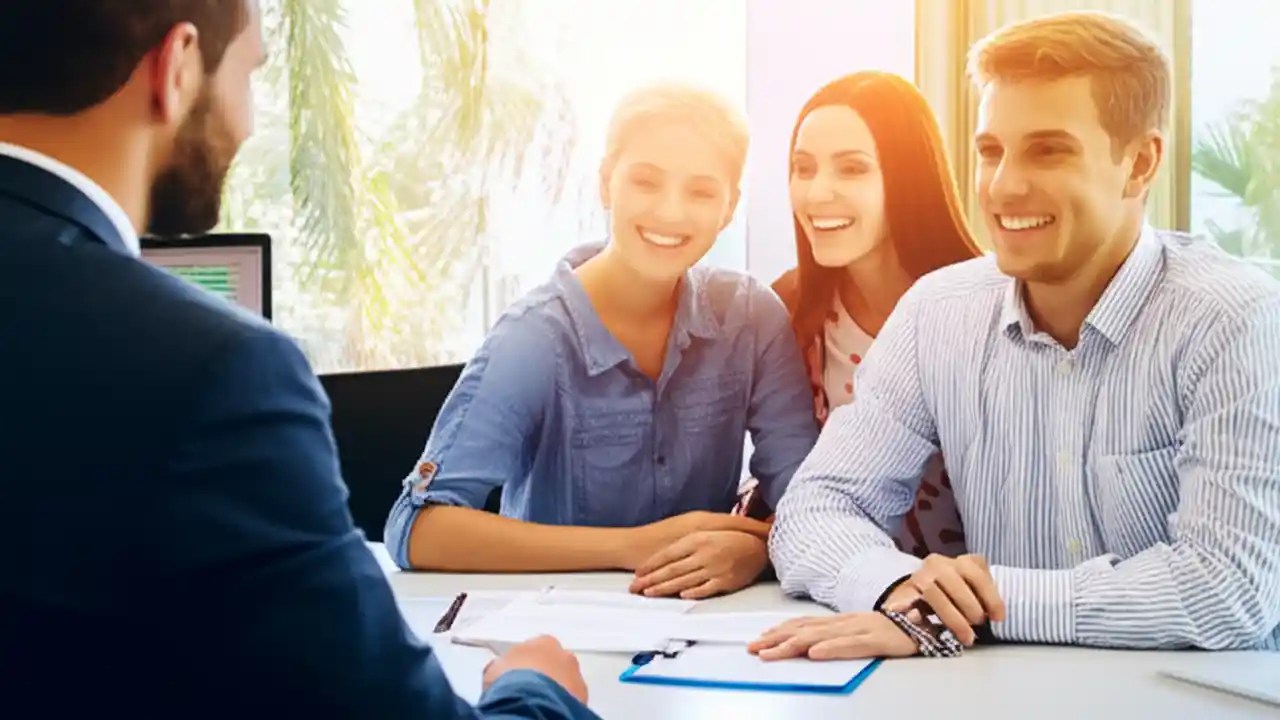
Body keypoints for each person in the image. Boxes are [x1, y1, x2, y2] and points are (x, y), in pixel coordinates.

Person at [0, 2, 597, 717]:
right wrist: (538, 689)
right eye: (249, 76)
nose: (249, 124)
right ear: (178, 67)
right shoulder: (213, 373)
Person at [760, 10, 1280, 659]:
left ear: (1140, 163)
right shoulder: (937, 313)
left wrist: (973, 606)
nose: (1003, 185)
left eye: (1048, 149)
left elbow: (1229, 588)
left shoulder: (1235, 319)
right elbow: (817, 509)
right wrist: (897, 586)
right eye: (990, 151)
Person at [386, 84, 819, 600]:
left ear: (729, 208)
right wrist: (630, 547)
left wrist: (759, 551)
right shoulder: (534, 337)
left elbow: (812, 505)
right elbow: (417, 528)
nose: (671, 212)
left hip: (704, 638)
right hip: (555, 634)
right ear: (606, 184)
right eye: (646, 181)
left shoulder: (751, 318)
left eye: (701, 191)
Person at [768, 71, 981, 559]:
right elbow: (794, 486)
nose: (817, 192)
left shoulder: (981, 306)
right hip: (840, 585)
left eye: (852, 168)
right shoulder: (792, 310)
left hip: (984, 599)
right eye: (804, 168)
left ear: (908, 177)